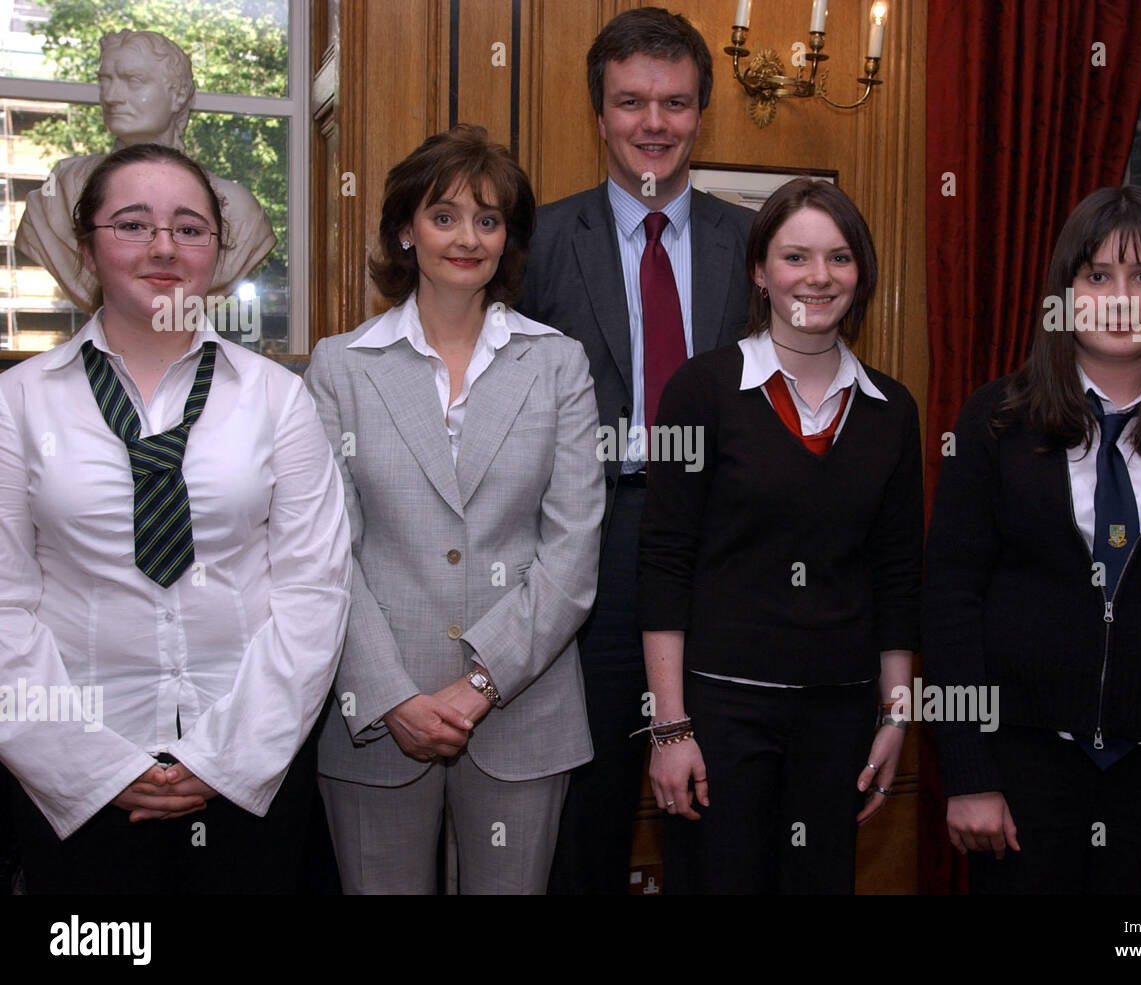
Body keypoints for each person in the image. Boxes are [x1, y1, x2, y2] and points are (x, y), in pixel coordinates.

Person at [0, 142, 351, 893]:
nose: (164, 245)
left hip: (247, 776)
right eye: (133, 223)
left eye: (189, 227)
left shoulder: (277, 398)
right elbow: (4, 605)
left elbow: (312, 592)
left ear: (215, 254)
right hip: (76, 783)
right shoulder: (20, 403)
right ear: (87, 247)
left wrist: (224, 758)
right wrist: (92, 768)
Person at [925, 185, 1141, 894]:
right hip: (1024, 775)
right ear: (1066, 292)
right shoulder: (994, 420)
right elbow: (949, 601)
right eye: (1098, 275)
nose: (1120, 297)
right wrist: (968, 774)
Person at [307, 125, 603, 895]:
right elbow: (325, 554)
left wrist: (478, 685)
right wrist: (396, 695)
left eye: (489, 218)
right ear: (405, 229)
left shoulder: (559, 363)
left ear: (509, 239)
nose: (467, 237)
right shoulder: (341, 367)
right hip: (376, 713)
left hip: (523, 708)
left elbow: (571, 553)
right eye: (444, 215)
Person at [517, 5, 754, 895]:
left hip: (730, 551)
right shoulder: (538, 241)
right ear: (600, 113)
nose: (655, 124)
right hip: (595, 545)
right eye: (631, 103)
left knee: (720, 789)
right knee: (594, 801)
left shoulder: (751, 245)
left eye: (676, 103)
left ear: (700, 113)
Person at [637, 177, 922, 894]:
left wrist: (895, 716)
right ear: (760, 274)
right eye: (795, 257)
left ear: (861, 272)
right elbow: (665, 563)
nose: (819, 277)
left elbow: (897, 574)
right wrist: (670, 728)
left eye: (839, 257)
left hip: (840, 719)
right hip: (721, 717)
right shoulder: (699, 391)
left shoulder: (893, 410)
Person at [16, 29, 274, 314]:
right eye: (105, 81)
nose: (112, 97)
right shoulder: (62, 188)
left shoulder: (238, 208)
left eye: (133, 81)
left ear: (177, 96)